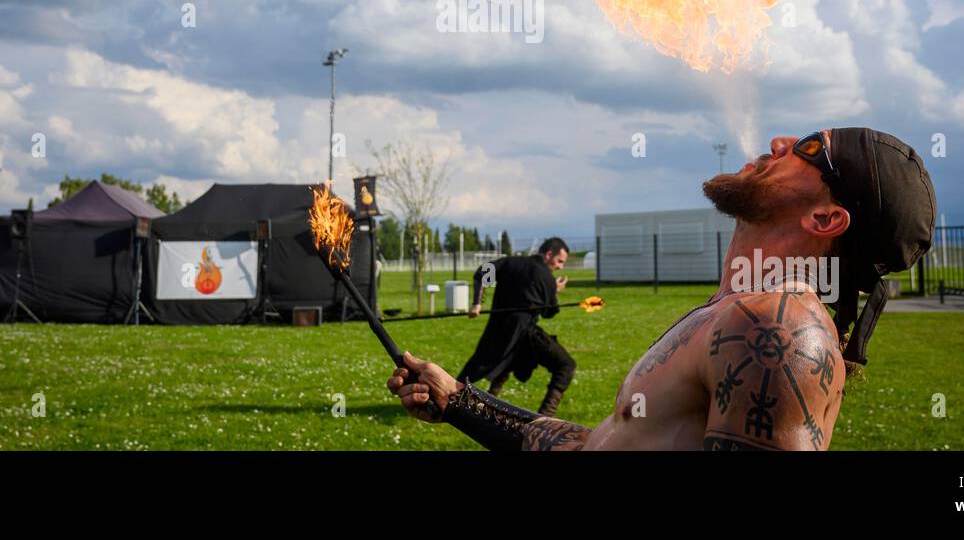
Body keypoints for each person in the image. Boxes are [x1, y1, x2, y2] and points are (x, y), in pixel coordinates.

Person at [387, 127, 935, 450]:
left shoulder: (777, 330)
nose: (781, 140)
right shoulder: (735, 312)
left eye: (812, 150)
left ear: (825, 219)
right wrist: (459, 401)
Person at [457, 237, 575, 417]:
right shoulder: (547, 278)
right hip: (525, 333)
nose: (560, 267)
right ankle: (545, 417)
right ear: (549, 254)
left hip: (497, 331)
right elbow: (549, 312)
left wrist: (477, 303)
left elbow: (484, 272)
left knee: (484, 367)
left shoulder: (512, 263)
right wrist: (554, 291)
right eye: (559, 261)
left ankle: (481, 400)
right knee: (566, 365)